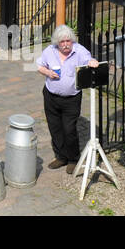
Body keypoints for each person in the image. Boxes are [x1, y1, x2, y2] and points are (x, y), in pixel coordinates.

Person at [37, 24, 100, 173]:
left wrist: (92, 62)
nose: (65, 45)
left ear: (72, 41)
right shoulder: (50, 51)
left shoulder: (79, 51)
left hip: (71, 98)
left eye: (68, 41)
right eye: (62, 42)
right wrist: (48, 73)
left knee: (69, 129)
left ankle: (73, 158)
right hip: (51, 96)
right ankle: (61, 157)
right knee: (55, 127)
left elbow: (89, 60)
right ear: (57, 43)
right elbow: (39, 65)